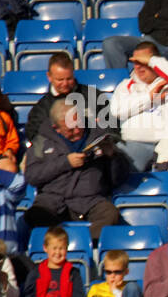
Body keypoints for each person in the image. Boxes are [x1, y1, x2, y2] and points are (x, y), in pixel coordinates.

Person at [22, 98, 123, 241]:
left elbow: (117, 178)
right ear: (56, 128)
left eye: (79, 125)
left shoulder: (98, 135)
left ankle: (80, 242)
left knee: (110, 214)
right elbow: (32, 176)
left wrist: (113, 157)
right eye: (70, 130)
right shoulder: (41, 141)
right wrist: (65, 162)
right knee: (35, 215)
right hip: (53, 200)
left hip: (89, 199)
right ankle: (59, 243)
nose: (77, 131)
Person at [110, 42, 168, 173]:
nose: (138, 67)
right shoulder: (126, 85)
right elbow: (117, 111)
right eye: (135, 62)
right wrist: (149, 98)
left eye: (143, 62)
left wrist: (152, 60)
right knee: (115, 167)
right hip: (135, 144)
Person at [22, 52, 93, 149]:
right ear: (49, 77)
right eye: (60, 79)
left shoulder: (92, 96)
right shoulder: (41, 108)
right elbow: (34, 134)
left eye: (69, 79)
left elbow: (110, 124)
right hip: (55, 154)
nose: (65, 84)